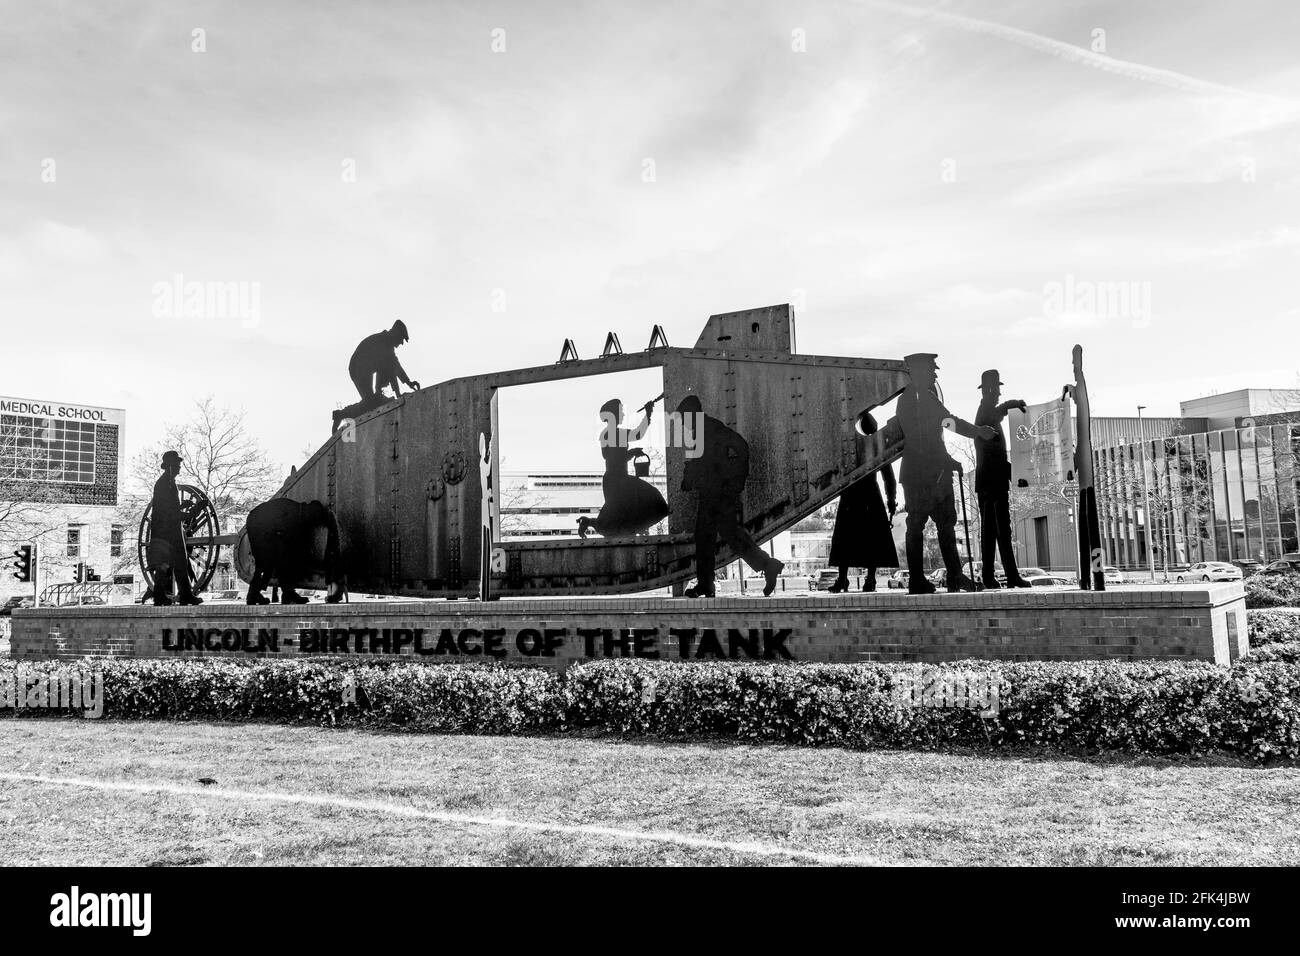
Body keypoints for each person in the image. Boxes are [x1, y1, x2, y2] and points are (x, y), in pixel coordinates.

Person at [896, 353, 996, 594]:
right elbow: (921, 440)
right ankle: (918, 580)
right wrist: (949, 457)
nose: (935, 374)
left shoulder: (928, 399)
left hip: (936, 475)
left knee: (946, 526)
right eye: (931, 370)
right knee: (916, 525)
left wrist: (976, 433)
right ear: (918, 372)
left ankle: (954, 576)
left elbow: (947, 422)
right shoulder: (909, 400)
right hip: (921, 477)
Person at [676, 395, 784, 598]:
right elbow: (694, 462)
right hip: (711, 492)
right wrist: (689, 480)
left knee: (708, 538)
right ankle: (766, 565)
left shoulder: (711, 428)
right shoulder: (699, 431)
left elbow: (741, 447)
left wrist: (735, 481)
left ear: (693, 414)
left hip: (717, 493)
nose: (683, 422)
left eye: (684, 418)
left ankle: (708, 584)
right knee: (724, 536)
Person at [577, 398, 670, 538]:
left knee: (621, 515)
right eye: (621, 411)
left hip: (618, 480)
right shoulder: (612, 434)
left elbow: (630, 441)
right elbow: (617, 453)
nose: (623, 414)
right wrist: (632, 452)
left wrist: (648, 414)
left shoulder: (610, 434)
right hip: (617, 481)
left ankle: (589, 522)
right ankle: (633, 529)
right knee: (656, 504)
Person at [827, 411, 898, 592]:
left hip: (851, 495)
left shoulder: (850, 444)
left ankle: (843, 579)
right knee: (871, 541)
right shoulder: (877, 445)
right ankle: (870, 580)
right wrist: (891, 501)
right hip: (871, 496)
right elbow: (888, 477)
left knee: (845, 539)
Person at [974, 369, 1032, 588]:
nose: (998, 393)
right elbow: (996, 413)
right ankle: (1005, 576)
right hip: (991, 482)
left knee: (995, 532)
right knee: (998, 532)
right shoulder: (986, 411)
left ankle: (994, 576)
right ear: (990, 390)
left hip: (991, 481)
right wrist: (1012, 403)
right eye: (997, 389)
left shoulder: (986, 411)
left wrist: (1014, 473)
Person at [332, 320, 421, 431]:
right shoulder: (383, 344)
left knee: (372, 402)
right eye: (401, 339)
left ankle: (341, 414)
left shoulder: (387, 343)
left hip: (365, 368)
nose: (401, 343)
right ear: (395, 334)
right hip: (358, 368)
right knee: (370, 402)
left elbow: (395, 365)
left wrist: (408, 382)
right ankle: (340, 414)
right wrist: (398, 394)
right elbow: (392, 369)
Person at [147, 450, 203, 606]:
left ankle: (164, 596)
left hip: (165, 532)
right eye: (178, 465)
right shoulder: (166, 484)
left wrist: (183, 507)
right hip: (169, 533)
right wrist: (192, 512)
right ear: (170, 466)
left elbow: (169, 508)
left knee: (172, 565)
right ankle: (181, 595)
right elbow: (170, 513)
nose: (179, 467)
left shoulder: (166, 483)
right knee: (176, 564)